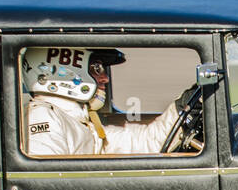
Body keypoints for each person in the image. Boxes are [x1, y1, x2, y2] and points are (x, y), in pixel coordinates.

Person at [22, 47, 189, 156]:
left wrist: (181, 108)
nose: (105, 78)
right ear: (64, 71)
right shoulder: (43, 117)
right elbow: (44, 186)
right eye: (96, 69)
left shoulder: (82, 123)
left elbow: (146, 141)